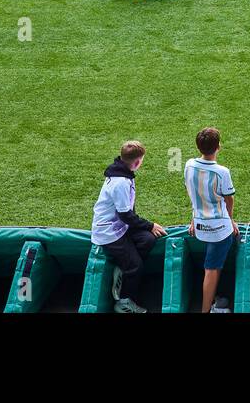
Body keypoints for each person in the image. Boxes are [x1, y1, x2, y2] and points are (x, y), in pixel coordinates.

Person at [91, 141, 167, 314]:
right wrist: (150, 225)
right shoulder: (121, 182)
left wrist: (147, 230)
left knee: (148, 239)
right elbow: (125, 215)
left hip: (120, 227)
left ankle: (122, 268)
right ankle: (124, 302)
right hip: (109, 232)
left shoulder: (122, 172)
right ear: (137, 162)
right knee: (135, 267)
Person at [184, 127, 237, 313]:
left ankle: (215, 300)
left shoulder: (189, 164)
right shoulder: (222, 171)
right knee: (211, 269)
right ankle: (207, 310)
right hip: (219, 229)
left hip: (199, 224)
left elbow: (192, 193)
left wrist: (193, 218)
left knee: (213, 266)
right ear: (218, 147)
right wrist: (231, 220)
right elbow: (229, 199)